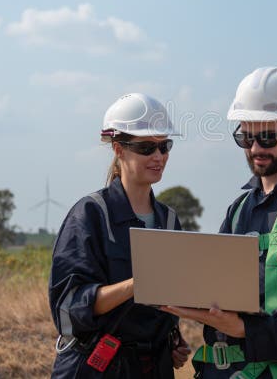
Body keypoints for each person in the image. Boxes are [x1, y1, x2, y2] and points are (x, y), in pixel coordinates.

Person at [164, 67, 277, 379]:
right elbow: (217, 290)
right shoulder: (239, 209)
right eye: (245, 137)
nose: (254, 149)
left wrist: (242, 328)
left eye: (266, 136)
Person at [49, 93, 191, 378]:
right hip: (98, 368)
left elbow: (167, 302)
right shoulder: (90, 215)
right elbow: (68, 309)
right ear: (118, 149)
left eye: (165, 146)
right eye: (147, 147)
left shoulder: (170, 221)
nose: (158, 156)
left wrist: (171, 338)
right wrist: (137, 284)